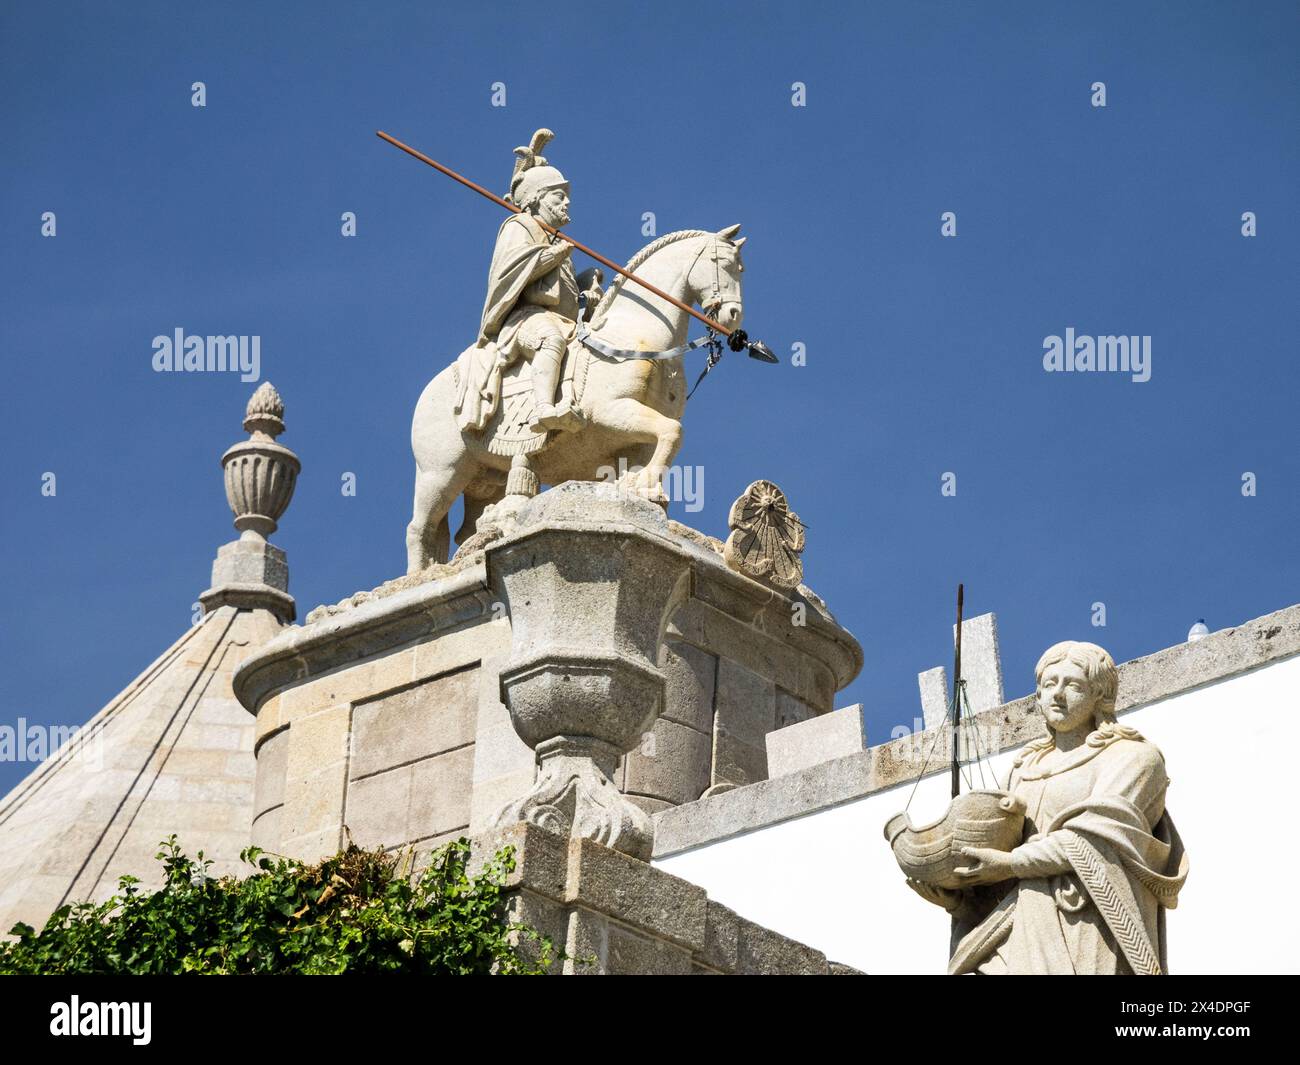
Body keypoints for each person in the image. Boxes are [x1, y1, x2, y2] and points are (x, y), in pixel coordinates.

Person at [908, 640, 1188, 974]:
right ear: (1037, 695)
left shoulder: (1133, 758)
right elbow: (999, 867)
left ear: (1100, 694)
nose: (1057, 694)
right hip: (1017, 930)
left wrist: (1012, 862)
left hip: (1086, 921)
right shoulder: (1022, 768)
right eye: (1048, 684)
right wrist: (962, 902)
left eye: (1073, 685)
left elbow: (1097, 839)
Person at [454, 131, 598, 434]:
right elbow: (513, 269)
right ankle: (544, 410)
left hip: (564, 319)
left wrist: (587, 292)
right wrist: (553, 255)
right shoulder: (520, 225)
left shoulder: (555, 239)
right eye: (559, 196)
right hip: (525, 319)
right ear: (536, 199)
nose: (567, 202)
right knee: (549, 339)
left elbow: (563, 288)